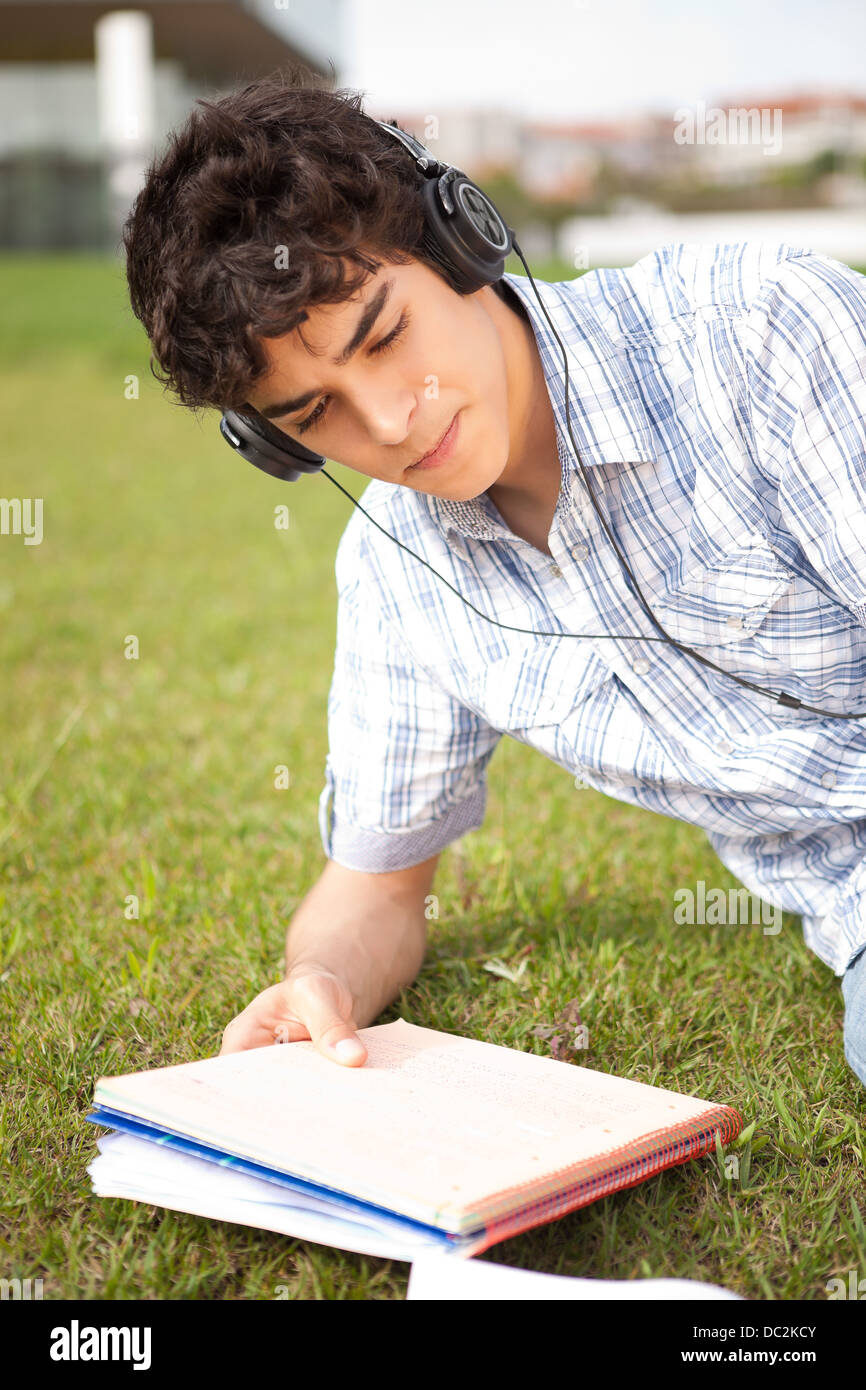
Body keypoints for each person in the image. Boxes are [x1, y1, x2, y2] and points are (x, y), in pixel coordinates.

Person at [122, 69, 866, 1087]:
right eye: (314, 416)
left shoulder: (762, 336)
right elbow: (376, 891)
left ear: (455, 238)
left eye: (383, 336)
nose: (387, 421)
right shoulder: (397, 577)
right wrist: (322, 981)